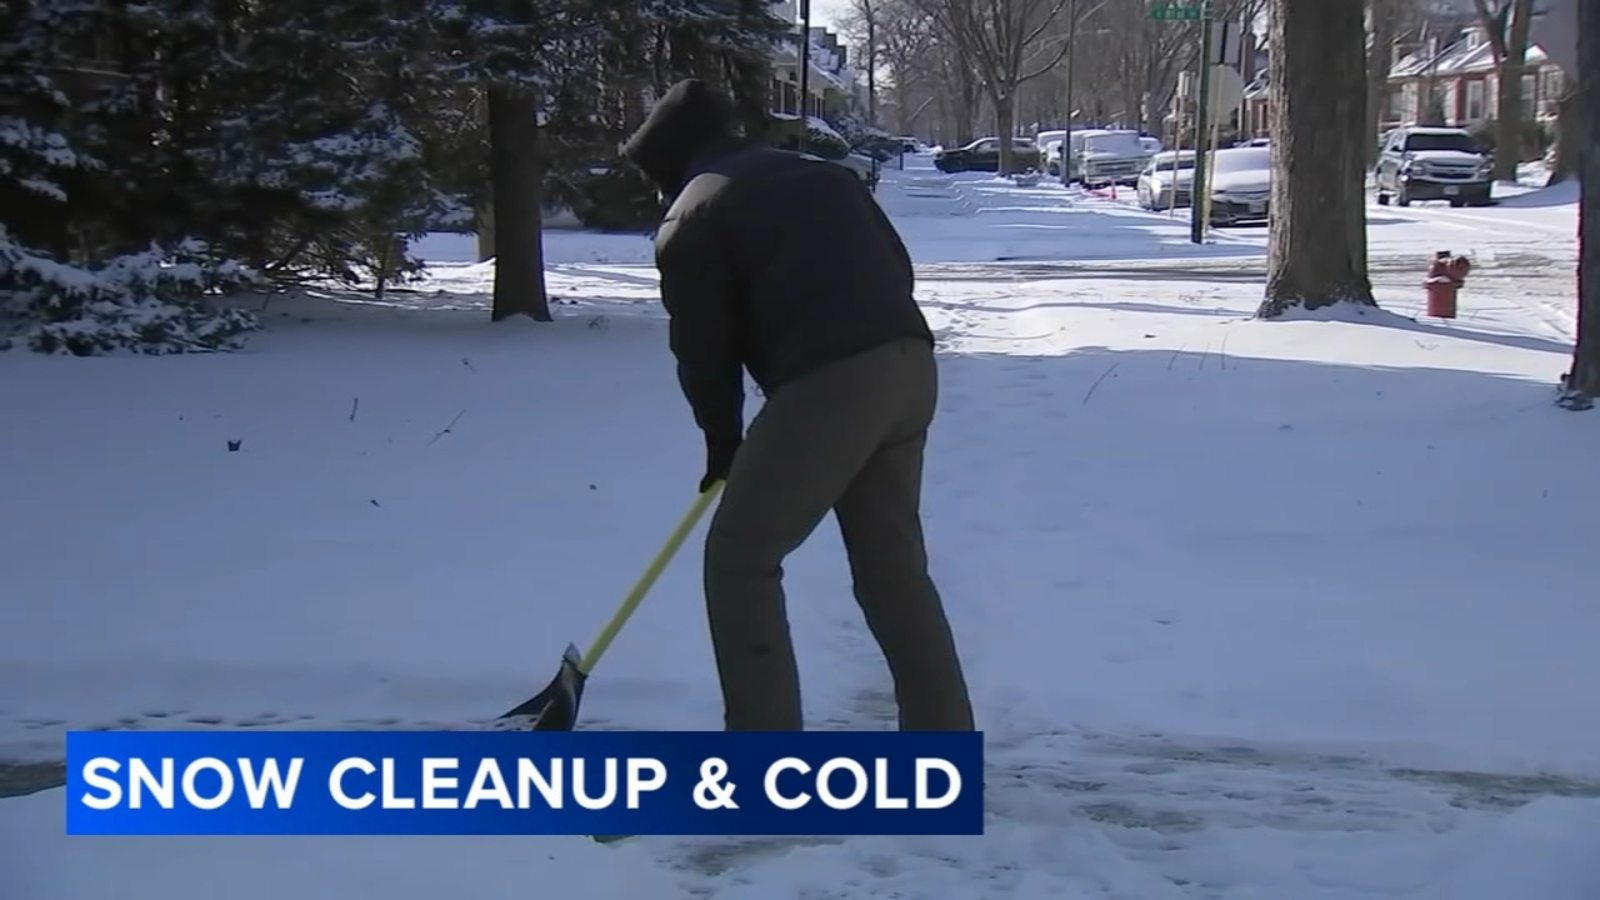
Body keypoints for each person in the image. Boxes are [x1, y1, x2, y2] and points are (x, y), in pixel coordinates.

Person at [621, 78, 974, 733]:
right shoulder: (824, 176)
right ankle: (942, 741)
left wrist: (722, 440)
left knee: (739, 560)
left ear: (667, 162)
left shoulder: (691, 215)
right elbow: (895, 268)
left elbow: (702, 349)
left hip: (834, 386)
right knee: (892, 569)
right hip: (909, 365)